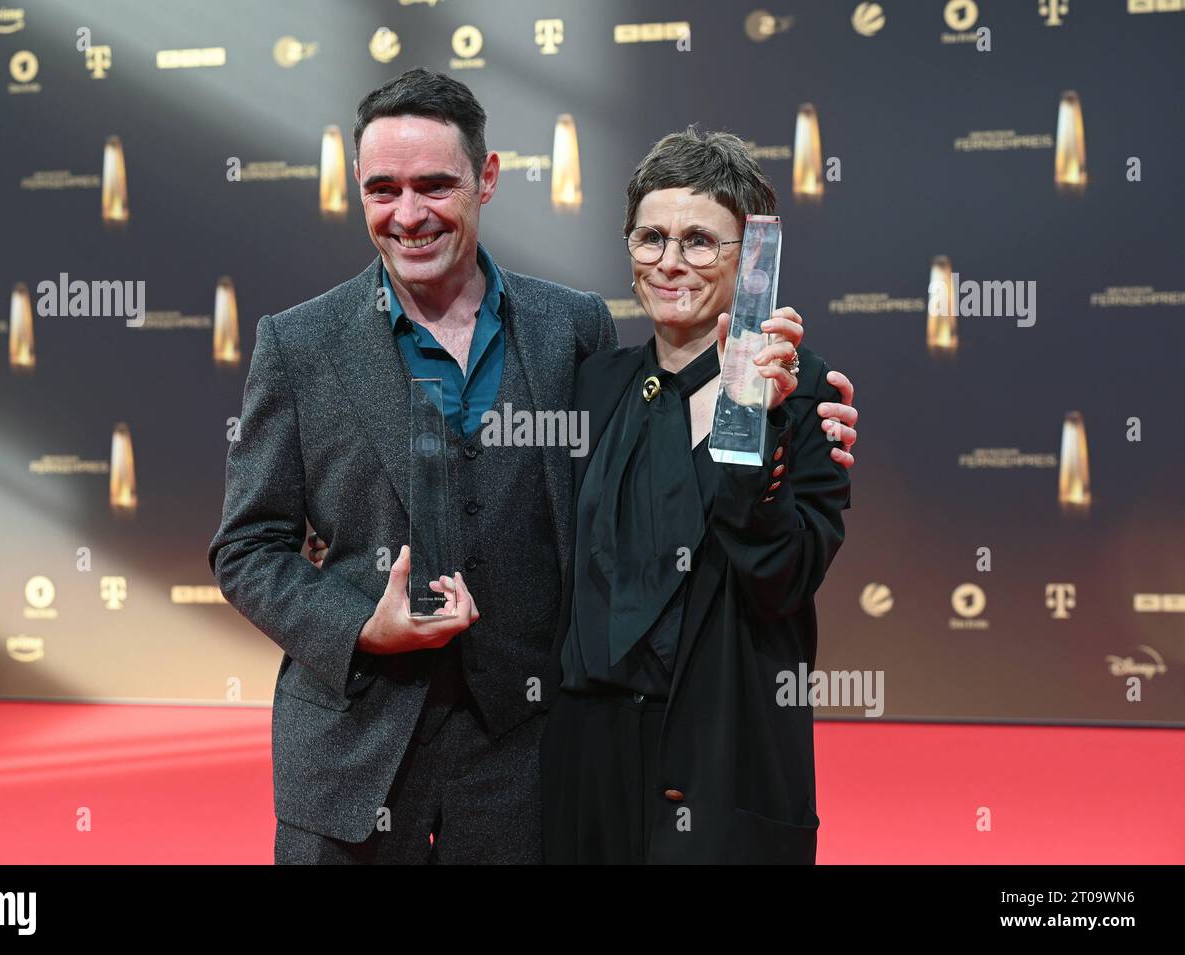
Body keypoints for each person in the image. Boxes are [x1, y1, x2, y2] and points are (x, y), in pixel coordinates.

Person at [212, 68, 858, 864]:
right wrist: (359, 627)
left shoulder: (572, 333)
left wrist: (770, 419)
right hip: (352, 760)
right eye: (384, 188)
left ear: (486, 180)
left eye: (435, 185)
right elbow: (246, 548)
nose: (408, 214)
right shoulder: (298, 344)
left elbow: (695, 499)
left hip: (526, 767)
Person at [540, 128, 851, 864]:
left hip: (721, 765)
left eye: (701, 241)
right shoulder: (590, 386)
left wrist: (752, 423)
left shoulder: (803, 395)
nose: (671, 261)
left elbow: (782, 577)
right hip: (585, 767)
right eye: (651, 237)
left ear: (749, 262)